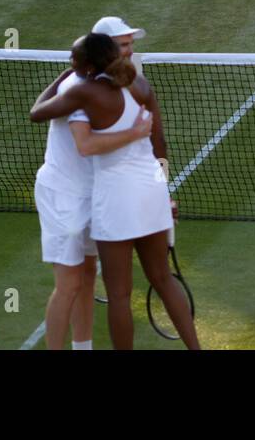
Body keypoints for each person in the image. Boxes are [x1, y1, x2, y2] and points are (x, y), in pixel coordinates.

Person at [31, 33, 199, 350]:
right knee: (163, 280)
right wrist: (164, 193)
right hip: (151, 193)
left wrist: (63, 77)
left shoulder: (83, 92)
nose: (70, 64)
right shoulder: (142, 86)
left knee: (119, 295)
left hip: (116, 200)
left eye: (73, 60)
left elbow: (38, 113)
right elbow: (159, 144)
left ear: (89, 67)